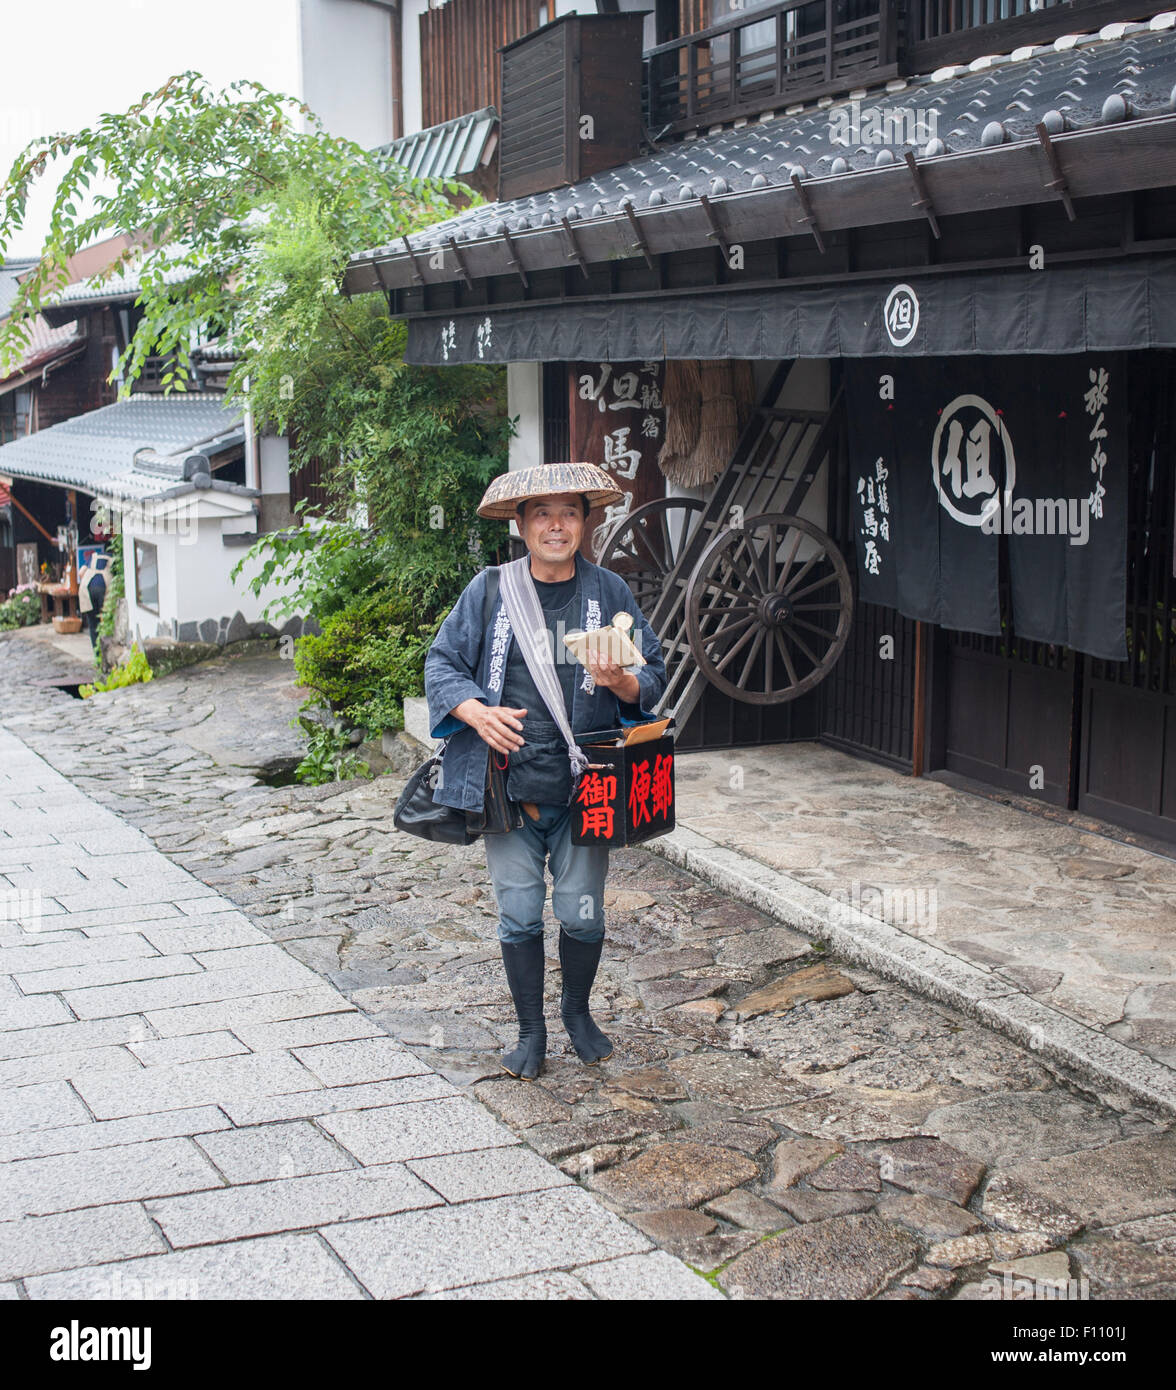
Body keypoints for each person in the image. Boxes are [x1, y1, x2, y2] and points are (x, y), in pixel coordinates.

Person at [424, 463, 667, 1081]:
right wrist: (476, 714)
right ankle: (531, 1031)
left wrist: (625, 681)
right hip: (508, 784)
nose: (556, 525)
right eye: (542, 514)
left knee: (583, 912)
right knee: (520, 912)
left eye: (568, 513)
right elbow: (442, 664)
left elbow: (654, 675)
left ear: (586, 523)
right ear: (521, 524)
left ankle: (577, 1015)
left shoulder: (610, 592)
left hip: (590, 783)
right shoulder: (487, 590)